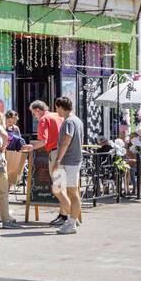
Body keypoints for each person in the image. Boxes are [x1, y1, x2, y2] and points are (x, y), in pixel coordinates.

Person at [25, 99, 66, 225]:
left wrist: (31, 147)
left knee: (58, 188)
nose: (34, 117)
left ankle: (67, 216)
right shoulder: (58, 116)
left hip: (55, 153)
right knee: (63, 186)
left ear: (38, 110)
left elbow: (43, 141)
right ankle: (65, 215)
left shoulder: (44, 119)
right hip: (66, 152)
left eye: (33, 114)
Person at [52, 96, 85, 234]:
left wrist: (58, 159)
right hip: (71, 160)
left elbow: (66, 140)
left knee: (71, 191)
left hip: (69, 161)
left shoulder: (69, 122)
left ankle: (71, 223)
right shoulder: (76, 120)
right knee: (58, 188)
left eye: (56, 107)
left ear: (60, 107)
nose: (56, 110)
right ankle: (73, 217)